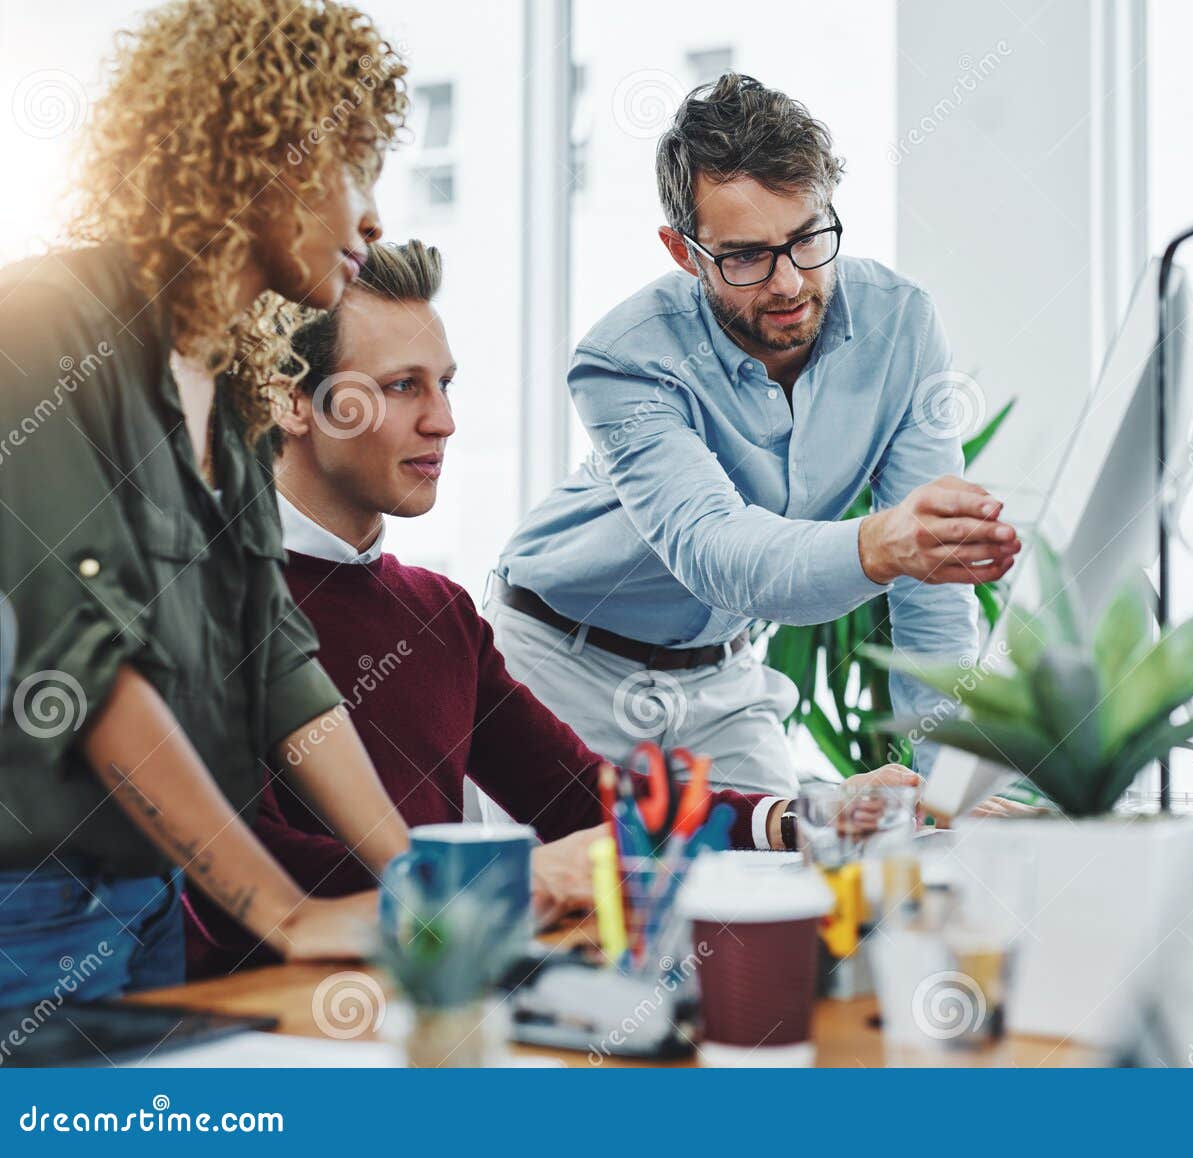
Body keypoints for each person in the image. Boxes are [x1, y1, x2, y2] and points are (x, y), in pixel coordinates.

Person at [184, 239, 921, 976]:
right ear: (289, 402)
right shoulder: (206, 608)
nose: (442, 421)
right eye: (402, 387)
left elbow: (581, 800)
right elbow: (240, 865)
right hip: (268, 1019)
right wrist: (510, 880)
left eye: (444, 383)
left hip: (438, 996)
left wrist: (794, 817)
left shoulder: (437, 613)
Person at [0, 0, 415, 1006]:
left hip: (149, 893)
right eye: (354, 162)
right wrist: (282, 909)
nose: (373, 218)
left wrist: (420, 884)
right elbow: (80, 653)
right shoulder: (43, 323)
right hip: (26, 907)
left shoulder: (229, 395)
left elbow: (271, 655)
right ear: (262, 149)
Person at [489, 74, 1019, 802]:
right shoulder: (623, 359)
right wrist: (881, 545)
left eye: (808, 239)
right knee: (572, 901)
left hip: (719, 676)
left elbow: (932, 591)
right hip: (563, 663)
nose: (790, 283)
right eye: (745, 256)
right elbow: (716, 552)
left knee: (778, 884)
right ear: (683, 252)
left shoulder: (901, 324)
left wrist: (950, 795)